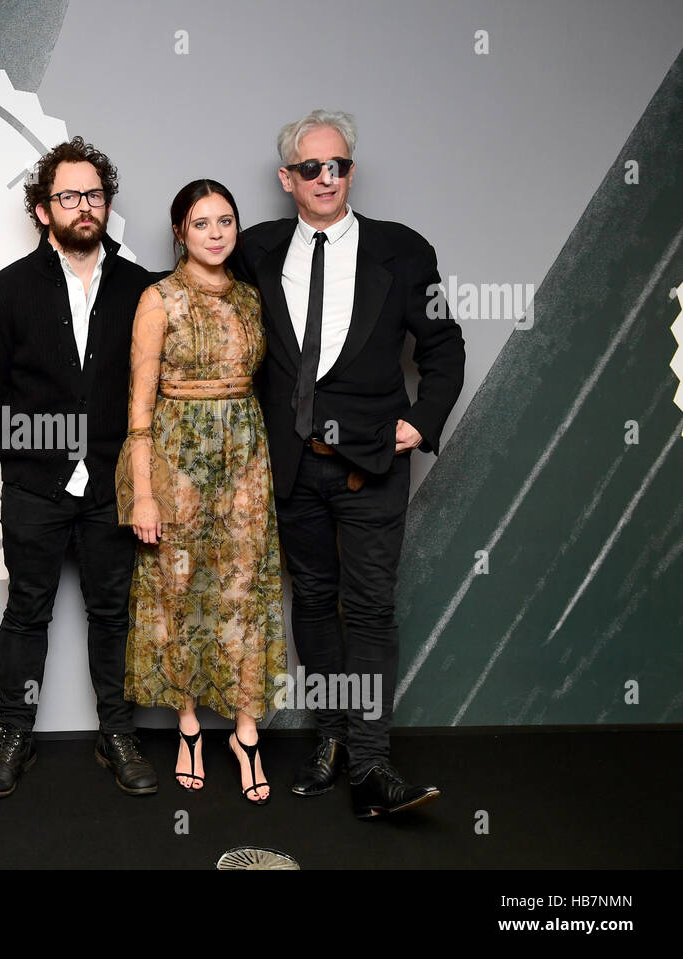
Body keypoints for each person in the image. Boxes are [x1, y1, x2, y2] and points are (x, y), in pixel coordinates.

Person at [229, 110, 465, 819]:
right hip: (291, 466)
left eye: (337, 165)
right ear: (287, 179)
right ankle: (330, 740)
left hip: (370, 465)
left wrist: (420, 422)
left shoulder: (403, 250)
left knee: (368, 608)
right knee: (315, 605)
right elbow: (196, 293)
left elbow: (443, 347)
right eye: (310, 168)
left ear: (350, 173)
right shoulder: (256, 251)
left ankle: (370, 764)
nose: (325, 177)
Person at [0, 138, 159, 797]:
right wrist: (46, 452)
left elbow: (159, 389)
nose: (84, 206)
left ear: (107, 204)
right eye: (68, 196)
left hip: (115, 489)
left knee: (114, 614)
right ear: (43, 209)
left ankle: (117, 733)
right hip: (35, 489)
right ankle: (16, 735)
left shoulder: (143, 289)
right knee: (27, 613)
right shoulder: (6, 292)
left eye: (94, 195)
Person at [118, 179, 288, 803]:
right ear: (178, 232)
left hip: (244, 457)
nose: (216, 234)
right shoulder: (158, 299)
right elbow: (138, 407)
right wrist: (143, 494)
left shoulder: (250, 298)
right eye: (201, 223)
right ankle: (188, 724)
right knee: (178, 590)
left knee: (246, 590)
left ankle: (246, 734)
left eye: (225, 222)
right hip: (175, 461)